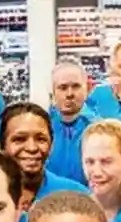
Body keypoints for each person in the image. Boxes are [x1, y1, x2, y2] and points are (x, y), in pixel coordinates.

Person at [0, 102, 89, 222]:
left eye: (41, 139)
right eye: (20, 139)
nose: (32, 148)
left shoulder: (76, 197)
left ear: (51, 145)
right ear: (2, 146)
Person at [47, 58, 97, 186]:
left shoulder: (99, 130)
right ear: (53, 92)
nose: (69, 94)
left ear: (87, 89)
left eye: (75, 86)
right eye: (63, 88)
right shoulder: (42, 129)